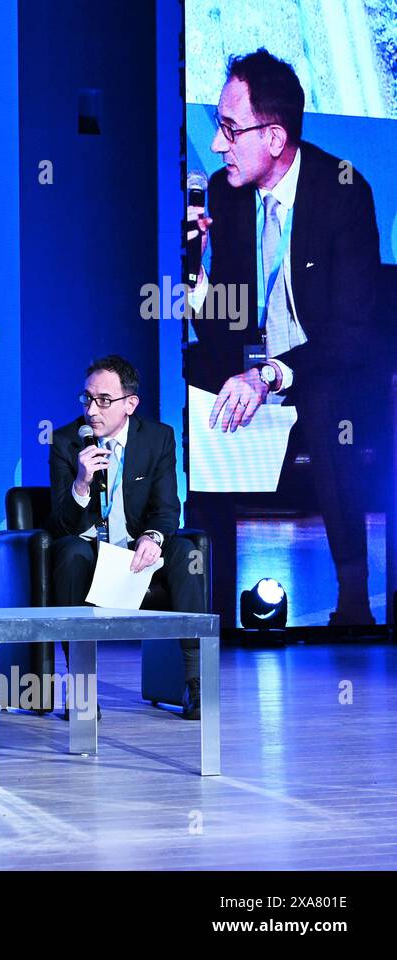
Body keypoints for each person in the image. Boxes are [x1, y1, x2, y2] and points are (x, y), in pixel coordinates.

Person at [187, 48, 381, 625]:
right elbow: (221, 327)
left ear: (274, 138)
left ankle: (352, 596)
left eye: (228, 129)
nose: (218, 145)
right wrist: (195, 272)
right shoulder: (225, 193)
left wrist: (271, 374)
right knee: (193, 383)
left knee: (324, 407)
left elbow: (352, 332)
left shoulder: (344, 192)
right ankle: (211, 597)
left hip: (326, 368)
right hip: (255, 365)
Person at [47, 355, 206, 719]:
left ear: (130, 404)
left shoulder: (158, 439)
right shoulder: (66, 442)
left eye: (104, 400)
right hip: (87, 549)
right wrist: (81, 483)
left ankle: (195, 683)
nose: (92, 410)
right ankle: (82, 688)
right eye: (87, 398)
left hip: (133, 550)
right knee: (69, 552)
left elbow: (167, 508)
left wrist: (153, 537)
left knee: (185, 551)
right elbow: (61, 524)